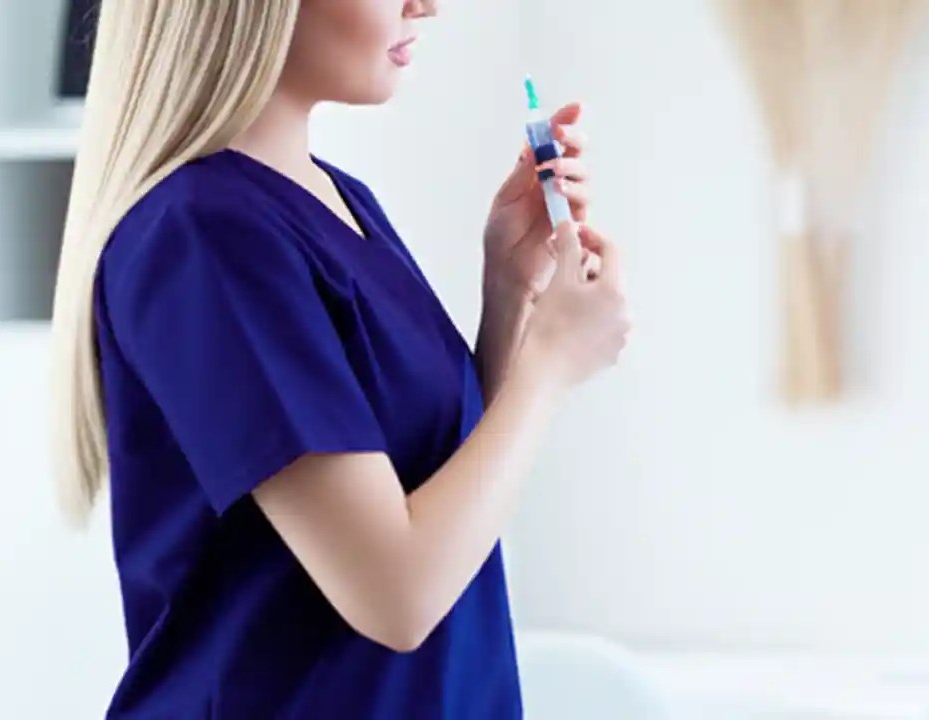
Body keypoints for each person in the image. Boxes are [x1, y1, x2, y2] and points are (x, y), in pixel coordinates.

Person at [47, 1, 630, 718]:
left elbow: (434, 495)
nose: (426, 4)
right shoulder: (206, 232)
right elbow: (396, 592)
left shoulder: (339, 202)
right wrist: (551, 365)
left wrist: (509, 292)